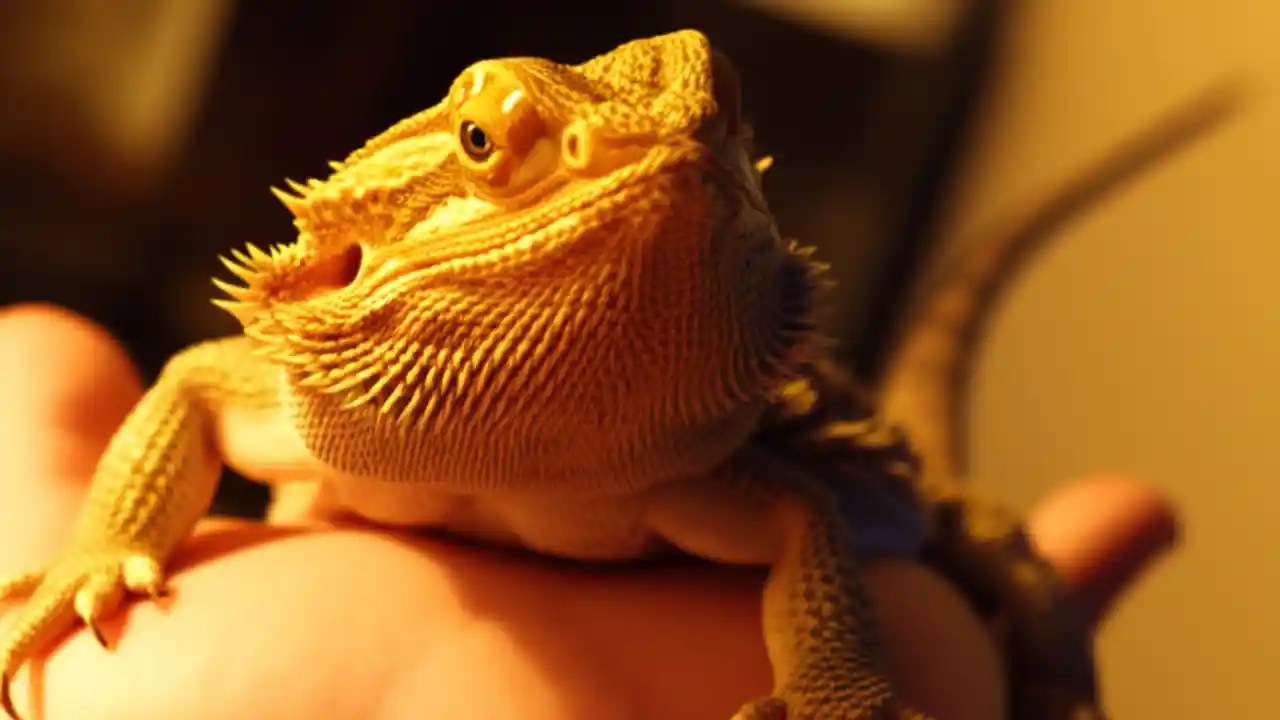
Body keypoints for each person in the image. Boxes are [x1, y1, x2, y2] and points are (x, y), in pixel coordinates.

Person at [0, 304, 1177, 719]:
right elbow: (188, 384)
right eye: (493, 145)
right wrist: (101, 540)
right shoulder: (289, 399)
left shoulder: (739, 476)